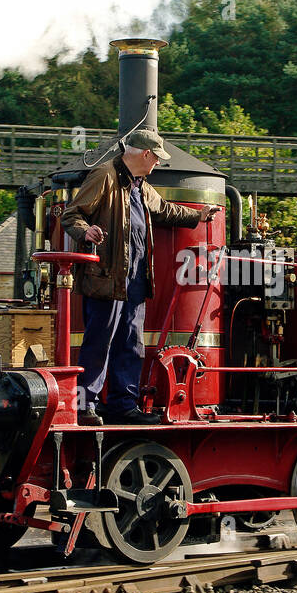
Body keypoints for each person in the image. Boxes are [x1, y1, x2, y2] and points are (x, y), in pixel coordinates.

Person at [59, 128, 220, 424]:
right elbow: (72, 215)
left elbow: (164, 210)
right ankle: (84, 405)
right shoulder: (104, 176)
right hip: (107, 277)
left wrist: (197, 215)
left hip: (135, 278)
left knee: (131, 343)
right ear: (146, 154)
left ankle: (123, 405)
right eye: (156, 158)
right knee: (99, 342)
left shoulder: (140, 185)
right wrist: (86, 231)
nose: (158, 163)